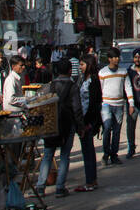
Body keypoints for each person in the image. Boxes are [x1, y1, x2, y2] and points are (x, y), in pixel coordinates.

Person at [36, 61, 81, 198]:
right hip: (67, 124)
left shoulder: (50, 86)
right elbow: (77, 108)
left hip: (51, 124)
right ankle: (60, 188)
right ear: (69, 71)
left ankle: (40, 187)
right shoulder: (73, 86)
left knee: (48, 155)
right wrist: (80, 126)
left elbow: (41, 103)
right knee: (64, 155)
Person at [98, 49, 134, 164]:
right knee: (107, 127)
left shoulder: (123, 72)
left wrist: (131, 103)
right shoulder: (103, 72)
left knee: (117, 131)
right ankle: (106, 153)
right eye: (114, 57)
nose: (116, 59)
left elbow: (127, 87)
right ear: (109, 59)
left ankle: (114, 155)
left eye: (118, 57)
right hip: (106, 104)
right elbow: (100, 89)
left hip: (119, 104)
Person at [74, 55, 101, 192]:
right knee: (87, 151)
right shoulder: (83, 80)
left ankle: (90, 182)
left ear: (89, 65)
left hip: (88, 122)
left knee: (88, 152)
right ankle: (92, 180)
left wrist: (87, 123)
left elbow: (94, 104)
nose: (80, 67)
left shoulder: (93, 81)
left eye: (82, 64)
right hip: (83, 120)